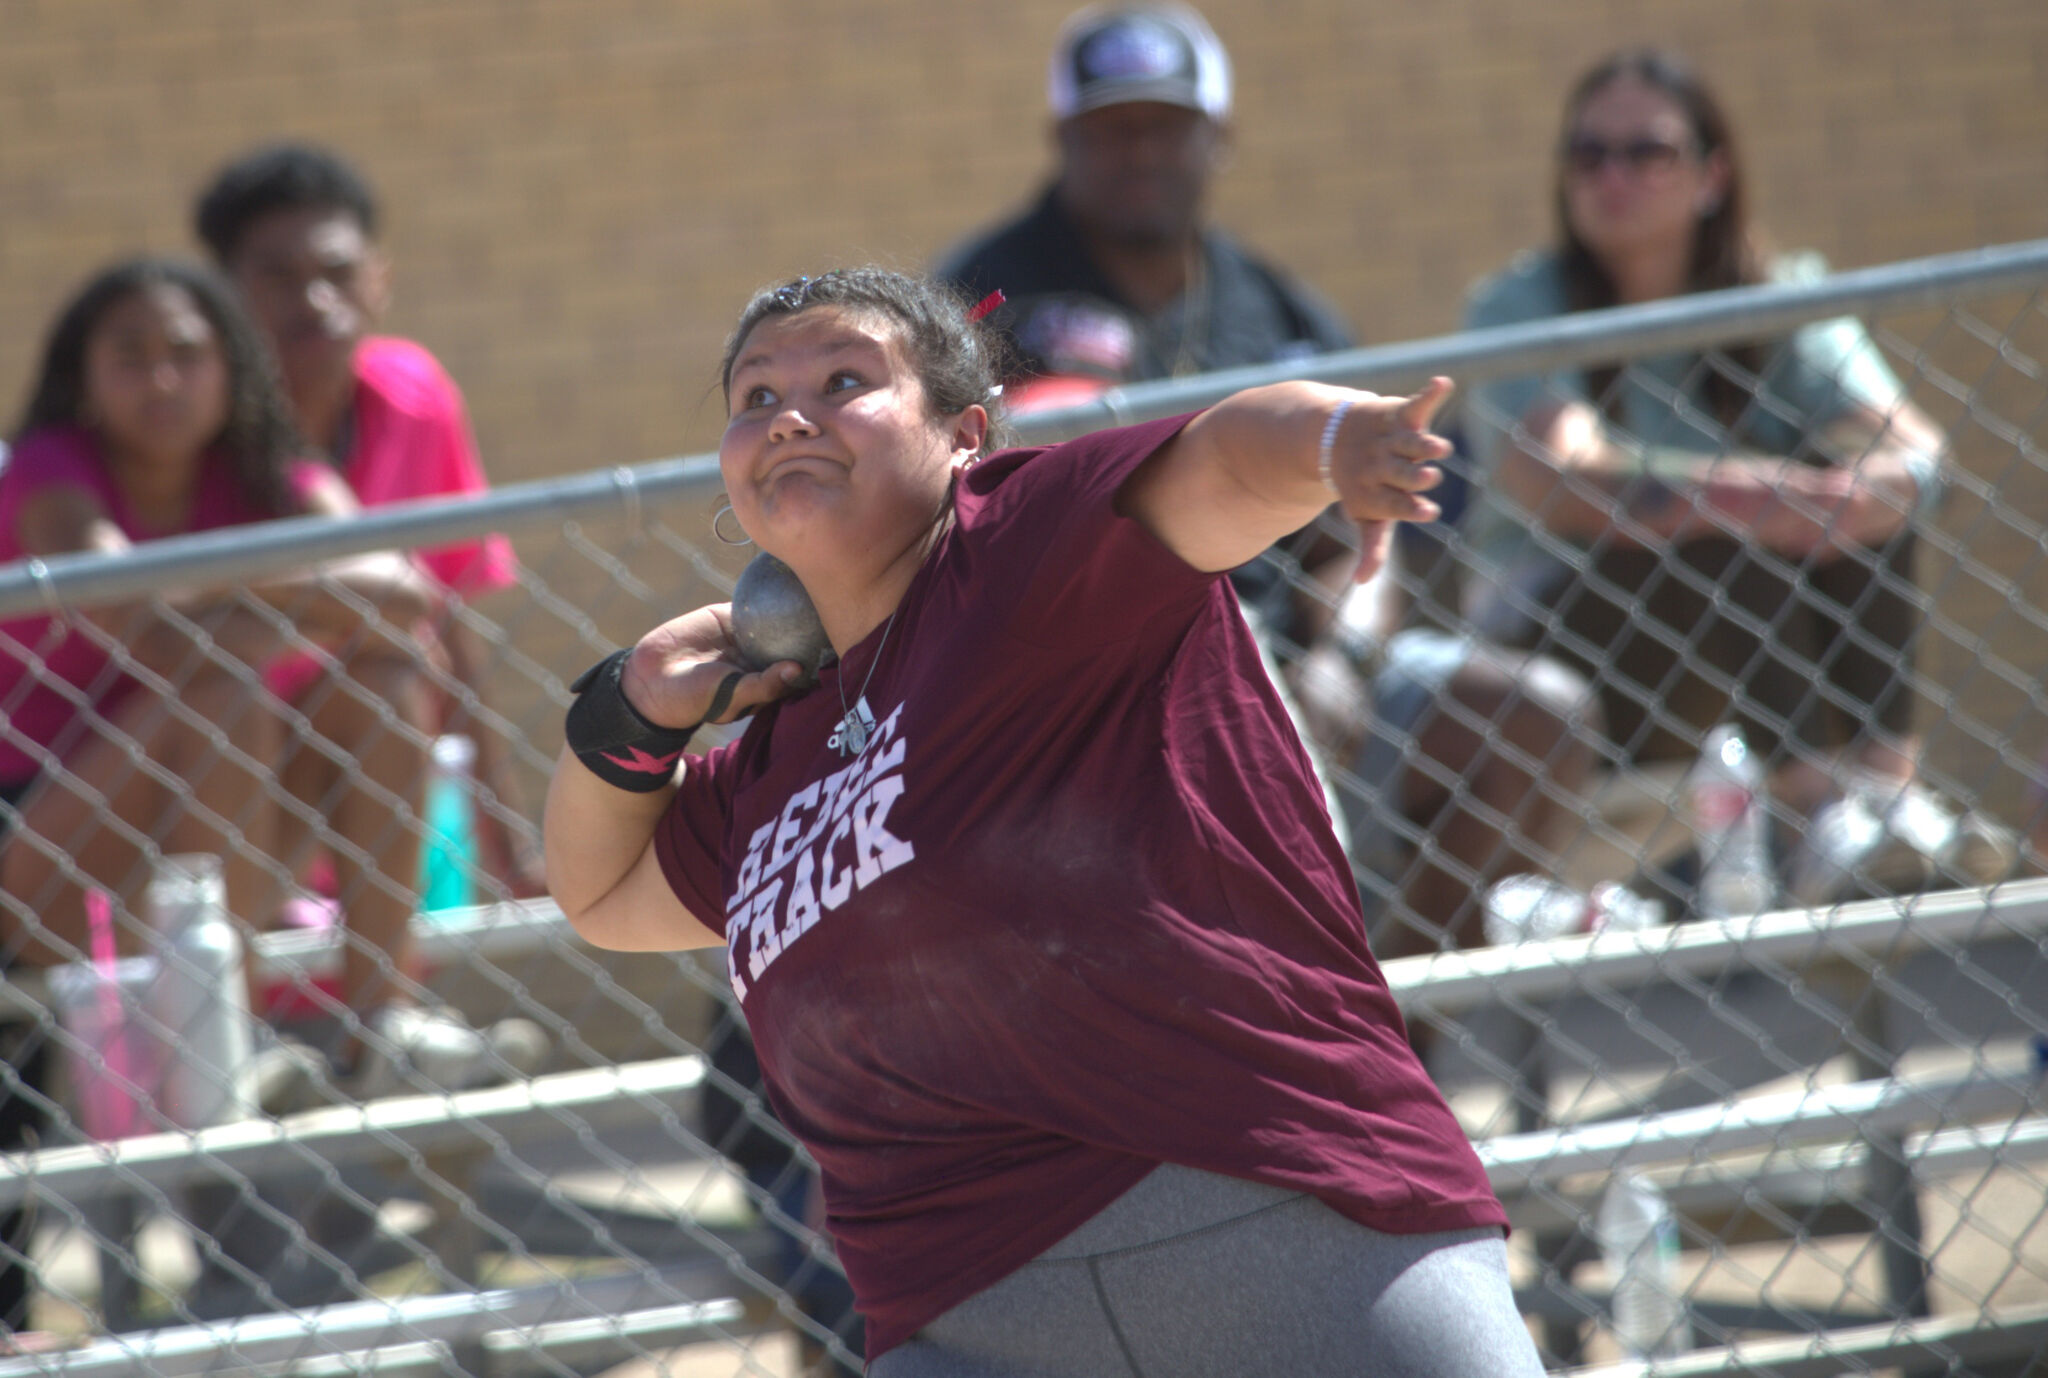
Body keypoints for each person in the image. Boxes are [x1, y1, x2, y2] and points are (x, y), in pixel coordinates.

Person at [544, 268, 1544, 1375]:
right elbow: (603, 893)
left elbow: (1221, 458)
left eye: (843, 381)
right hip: (966, 1323)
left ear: (963, 435)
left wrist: (1336, 444)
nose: (789, 416)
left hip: (1280, 1228)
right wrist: (630, 708)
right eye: (755, 397)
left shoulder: (1026, 545)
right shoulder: (774, 758)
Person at [936, 1, 1598, 954]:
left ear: (1218, 138)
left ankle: (1401, 1005)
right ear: (1063, 140)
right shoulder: (983, 298)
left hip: (1289, 654)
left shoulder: (1279, 309)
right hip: (1083, 668)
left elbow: (1354, 532)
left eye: (1166, 127)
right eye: (1113, 129)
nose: (1141, 152)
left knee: (1535, 715)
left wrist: (1344, 655)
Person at [1457, 47, 2009, 906]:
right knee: (1722, 520)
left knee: (1844, 489)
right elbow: (1562, 477)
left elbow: (1913, 450)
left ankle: (1882, 799)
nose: (1612, 177)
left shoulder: (1774, 294)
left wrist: (1857, 494)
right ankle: (1820, 819)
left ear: (1712, 175)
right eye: (1588, 154)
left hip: (1746, 631)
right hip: (1558, 650)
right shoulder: (1521, 304)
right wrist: (1751, 495)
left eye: (1646, 152)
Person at [193, 143, 544, 929]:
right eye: (277, 276)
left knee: (389, 673)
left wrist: (511, 846)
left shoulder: (415, 397)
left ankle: (377, 991)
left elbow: (444, 621)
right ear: (222, 295)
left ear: (380, 279)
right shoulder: (185, 429)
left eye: (338, 271)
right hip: (204, 788)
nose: (315, 299)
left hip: (367, 775)